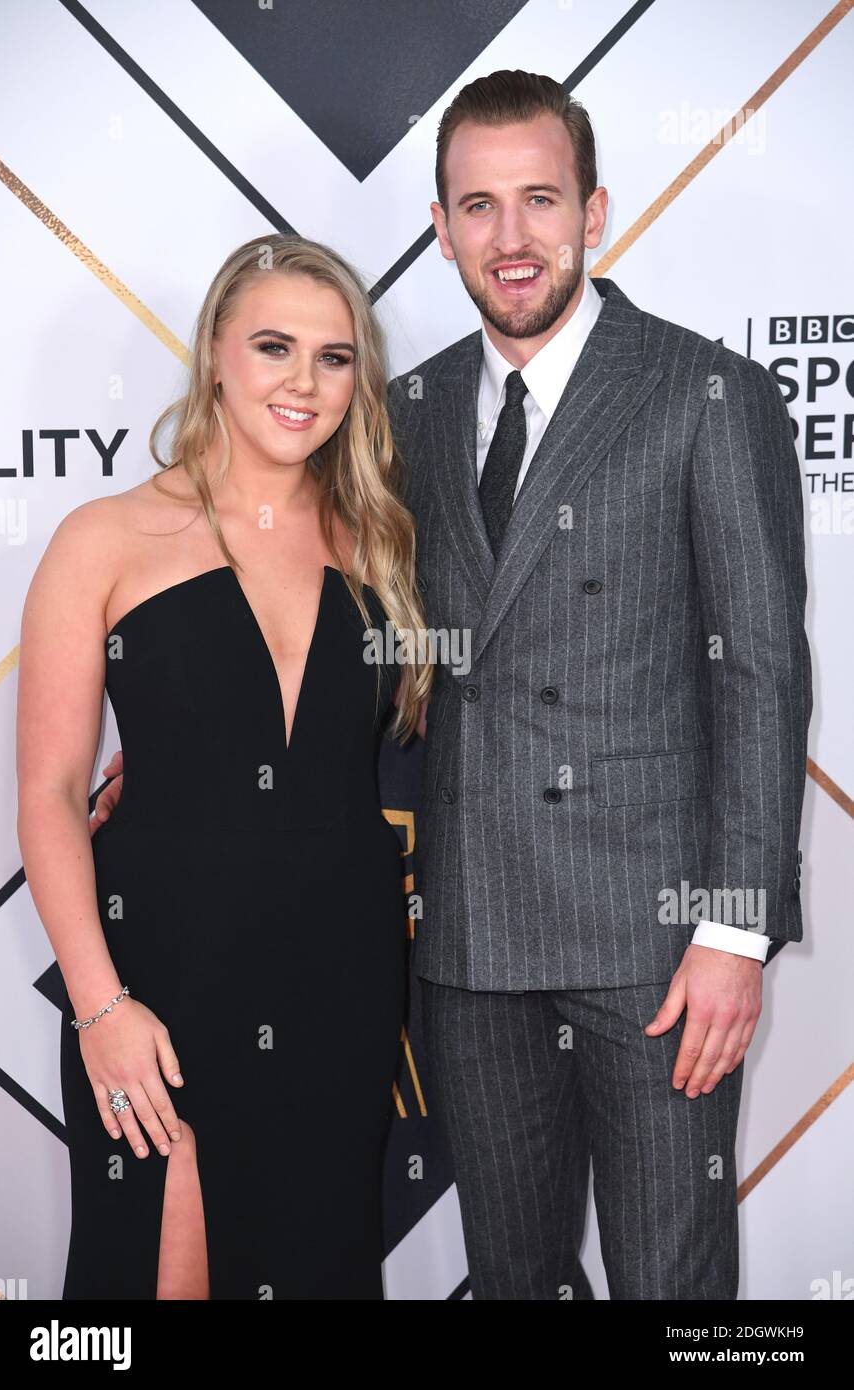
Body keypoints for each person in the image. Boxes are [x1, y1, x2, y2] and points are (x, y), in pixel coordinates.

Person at [383, 71, 810, 1299]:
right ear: (441, 227)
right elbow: (360, 632)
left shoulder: (703, 391)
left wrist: (732, 929)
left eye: (537, 201)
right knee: (510, 1278)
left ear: (595, 211)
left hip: (657, 942)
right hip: (468, 936)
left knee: (672, 1281)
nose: (510, 239)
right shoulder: (404, 413)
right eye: (478, 207)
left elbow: (762, 672)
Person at [16, 233, 431, 1300]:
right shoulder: (103, 539)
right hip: (159, 978)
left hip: (341, 980)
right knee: (158, 1263)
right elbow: (52, 793)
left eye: (334, 358)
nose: (304, 383)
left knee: (321, 1263)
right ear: (213, 353)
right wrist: (103, 1009)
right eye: (274, 347)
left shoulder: (379, 539)